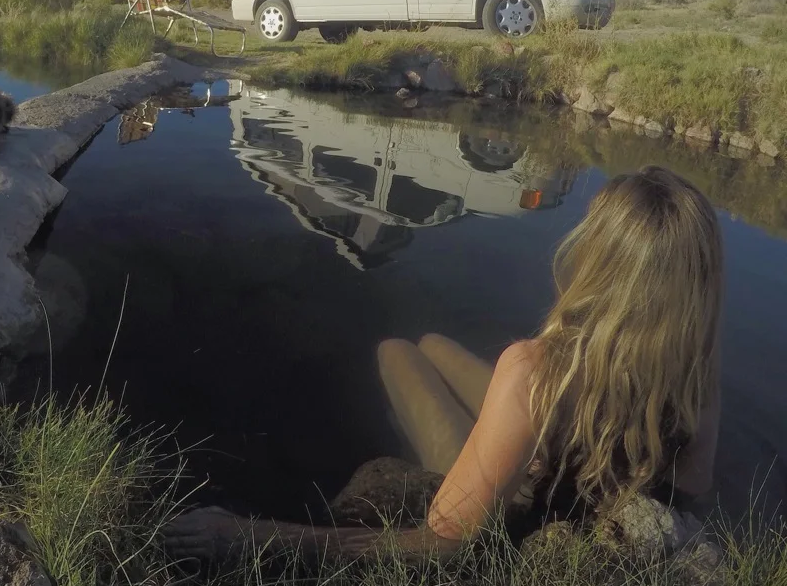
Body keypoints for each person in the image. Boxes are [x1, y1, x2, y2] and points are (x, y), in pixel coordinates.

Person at [163, 165, 723, 561]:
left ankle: (483, 433)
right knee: (433, 342)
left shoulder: (535, 369)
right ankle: (499, 422)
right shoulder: (697, 367)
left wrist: (241, 534)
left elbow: (441, 544)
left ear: (599, 262)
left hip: (527, 485)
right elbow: (692, 483)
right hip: (558, 419)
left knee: (396, 352)